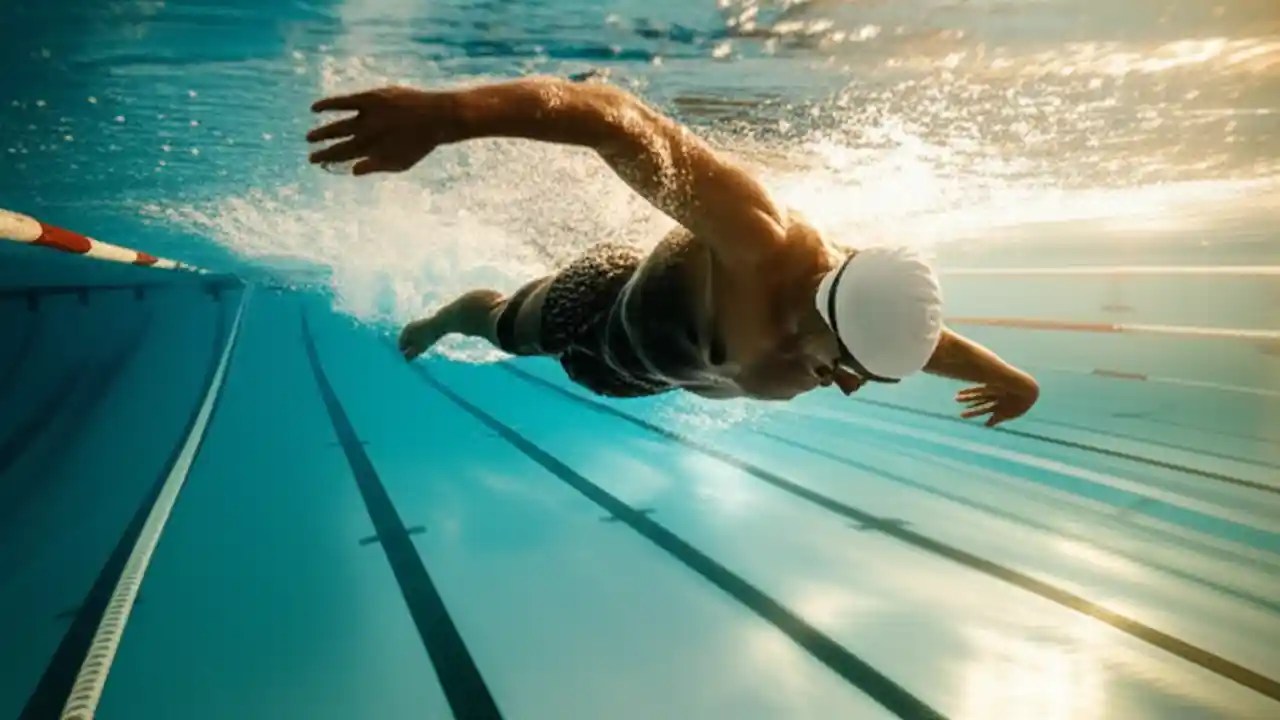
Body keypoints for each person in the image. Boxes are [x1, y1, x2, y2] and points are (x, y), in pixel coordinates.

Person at [305, 74, 1040, 426]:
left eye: (867, 377)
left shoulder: (865, 327)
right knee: (499, 326)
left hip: (645, 377)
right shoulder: (762, 242)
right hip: (594, 312)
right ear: (827, 303)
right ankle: (437, 325)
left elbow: (927, 343)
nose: (844, 385)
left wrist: (1015, 381)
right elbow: (616, 118)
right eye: (848, 366)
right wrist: (449, 114)